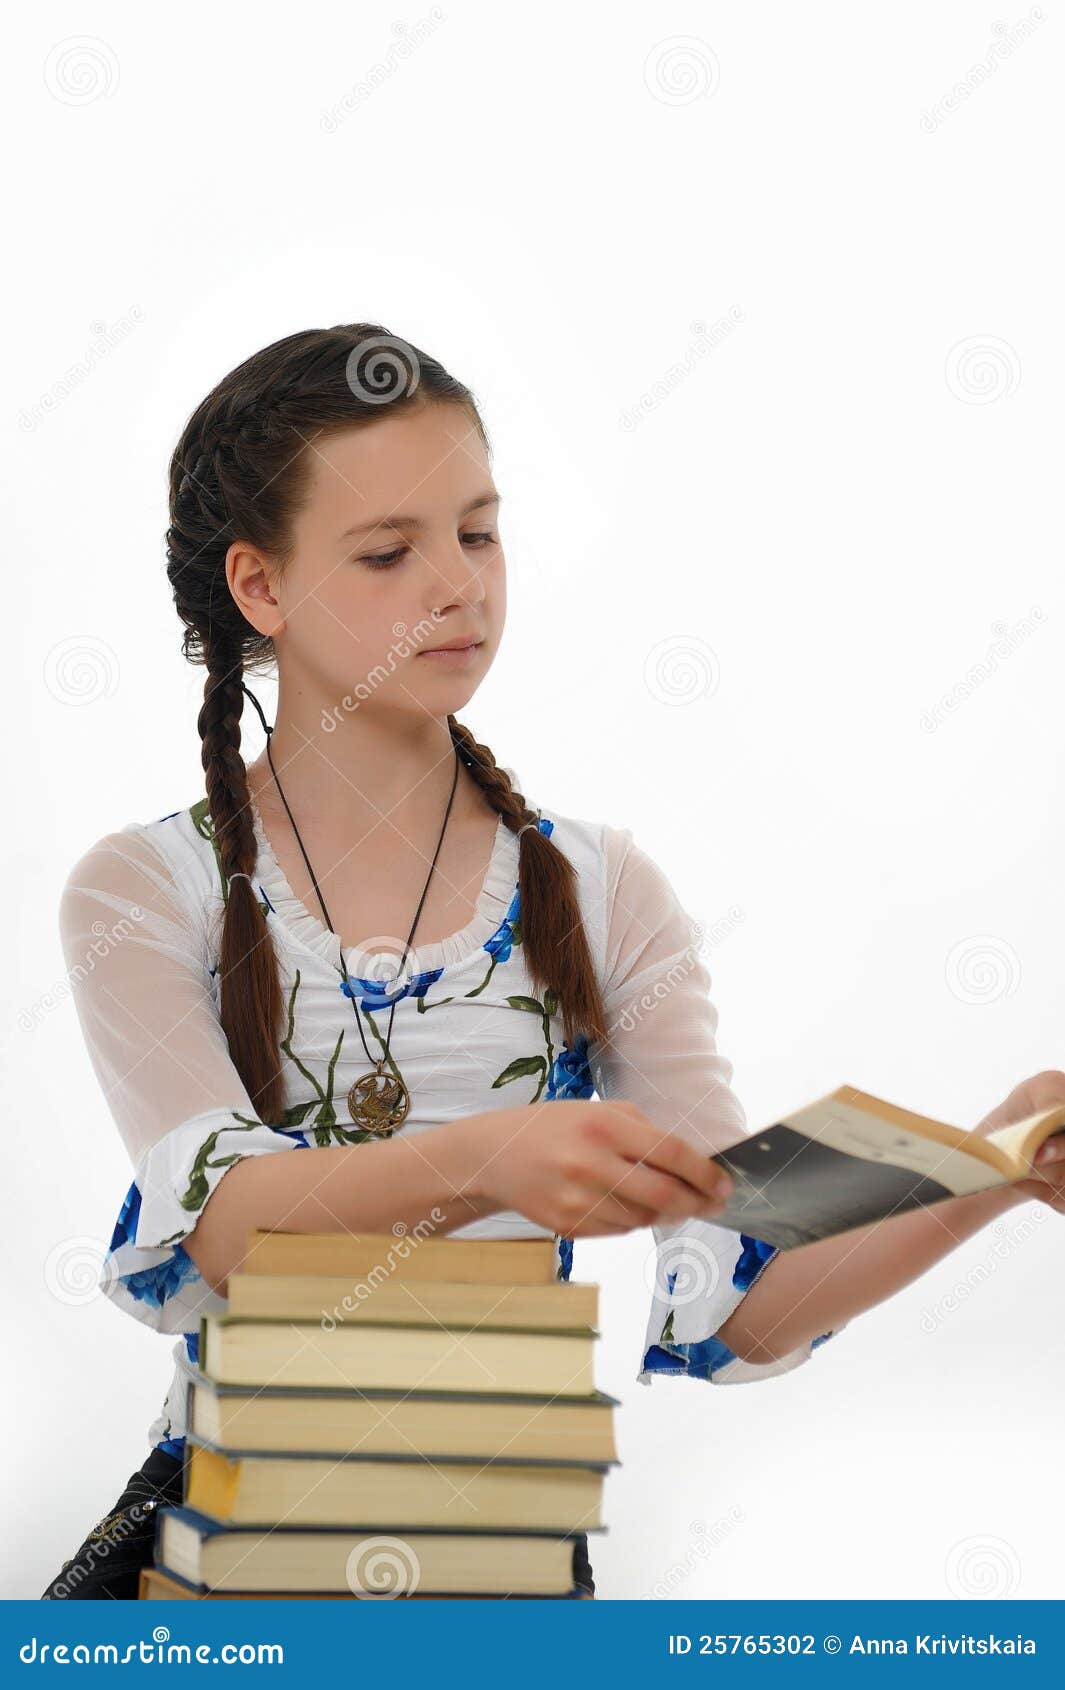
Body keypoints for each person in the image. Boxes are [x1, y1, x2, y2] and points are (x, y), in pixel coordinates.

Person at [42, 324, 1065, 1600]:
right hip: (230, 1565)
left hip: (502, 1559)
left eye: (477, 532)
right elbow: (228, 1224)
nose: (458, 586)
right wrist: (490, 1159)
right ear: (260, 587)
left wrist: (995, 1164)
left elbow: (734, 1290)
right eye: (386, 552)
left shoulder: (599, 886)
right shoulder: (148, 887)